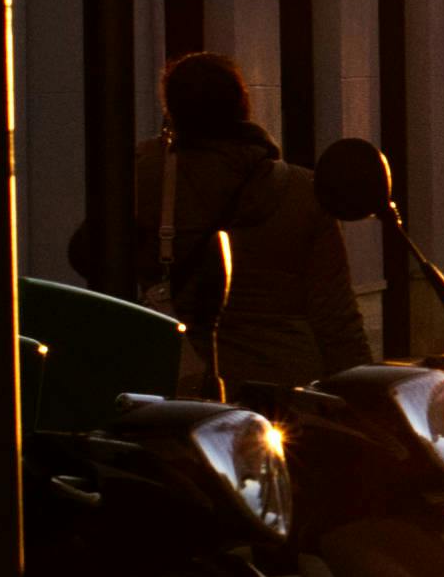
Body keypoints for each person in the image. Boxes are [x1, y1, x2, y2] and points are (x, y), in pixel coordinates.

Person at [115, 50, 368, 395]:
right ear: (243, 104)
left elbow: (87, 252)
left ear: (172, 110)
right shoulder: (305, 192)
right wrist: (360, 398)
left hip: (182, 386)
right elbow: (336, 318)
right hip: (285, 387)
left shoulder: (143, 177)